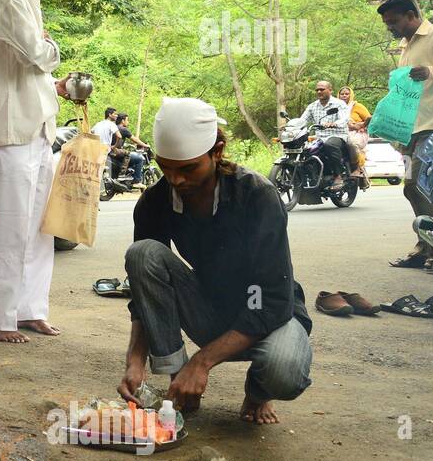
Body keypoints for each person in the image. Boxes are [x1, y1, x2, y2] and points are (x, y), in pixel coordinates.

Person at [117, 98, 313, 425]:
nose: (176, 179)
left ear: (217, 151)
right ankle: (177, 380)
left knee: (284, 371)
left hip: (270, 311)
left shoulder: (257, 196)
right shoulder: (155, 201)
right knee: (143, 254)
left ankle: (258, 391)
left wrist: (202, 362)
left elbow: (274, 300)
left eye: (188, 168)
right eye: (166, 167)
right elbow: (143, 293)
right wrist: (135, 360)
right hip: (210, 308)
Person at [0, 0, 72, 344]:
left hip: (35, 130)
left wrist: (55, 81)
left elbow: (29, 68)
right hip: (12, 132)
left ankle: (30, 310)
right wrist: (51, 48)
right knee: (10, 226)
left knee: (39, 227)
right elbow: (37, 53)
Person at [377, 0, 433, 268]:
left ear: (411, 15)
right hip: (411, 129)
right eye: (387, 24)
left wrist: (432, 72)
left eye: (394, 22)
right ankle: (429, 245)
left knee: (422, 186)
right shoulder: (404, 46)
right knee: (411, 188)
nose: (391, 28)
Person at [293, 80, 351, 191]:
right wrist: (290, 127)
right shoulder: (312, 106)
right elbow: (302, 120)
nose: (319, 91)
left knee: (330, 144)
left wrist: (334, 124)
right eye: (317, 90)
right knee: (304, 150)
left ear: (330, 90)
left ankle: (338, 176)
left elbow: (345, 118)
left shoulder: (339, 104)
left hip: (337, 135)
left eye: (322, 89)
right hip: (319, 137)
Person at [337, 86, 370, 179]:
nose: (344, 96)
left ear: (351, 95)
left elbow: (369, 118)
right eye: (342, 94)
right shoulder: (336, 107)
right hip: (340, 132)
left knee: (352, 144)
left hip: (357, 133)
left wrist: (362, 125)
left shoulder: (357, 106)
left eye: (346, 94)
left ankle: (358, 168)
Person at [116, 112, 149, 185]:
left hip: (111, 150)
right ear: (122, 121)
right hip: (117, 152)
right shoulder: (123, 129)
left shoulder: (113, 127)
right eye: (127, 120)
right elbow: (135, 139)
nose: (128, 122)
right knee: (139, 158)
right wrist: (145, 145)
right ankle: (137, 181)